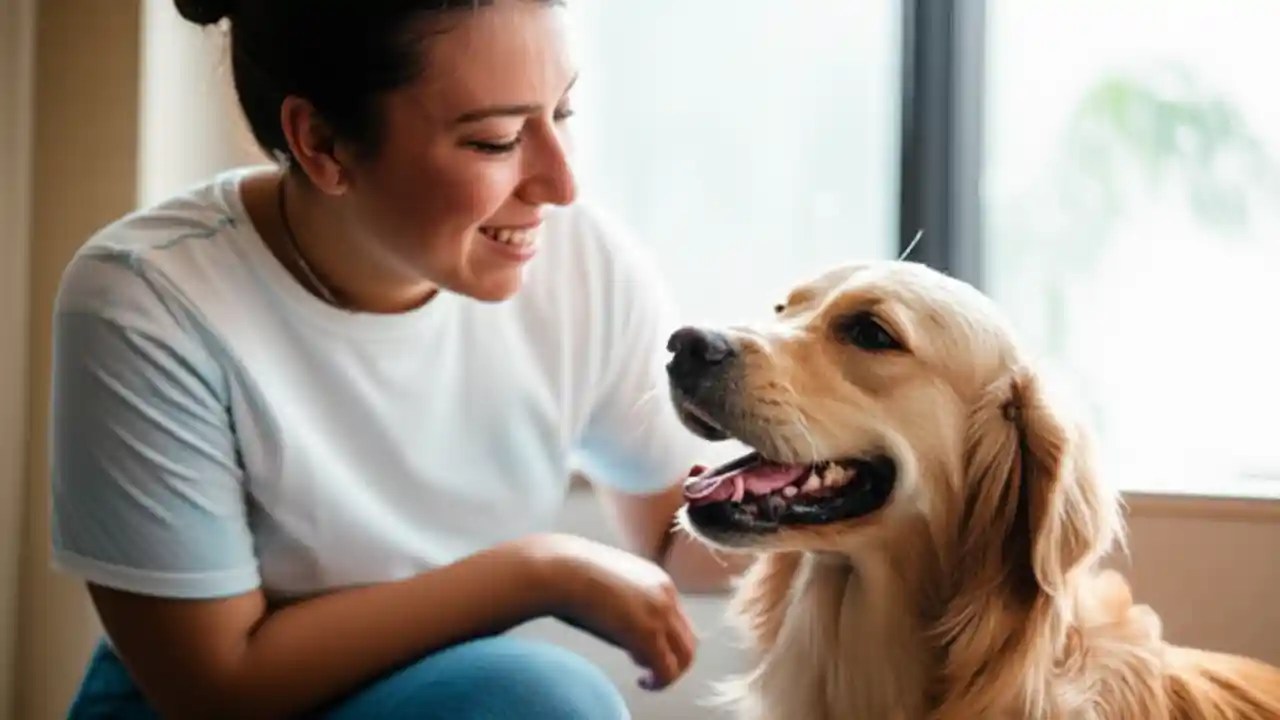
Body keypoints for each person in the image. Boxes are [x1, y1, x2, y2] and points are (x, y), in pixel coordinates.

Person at [49, 1, 740, 717]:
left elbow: (672, 534)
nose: (561, 185)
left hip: (454, 696)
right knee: (542, 701)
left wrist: (846, 499)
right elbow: (217, 686)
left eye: (561, 112)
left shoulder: (580, 262)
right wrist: (537, 572)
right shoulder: (149, 298)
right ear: (322, 143)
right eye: (496, 141)